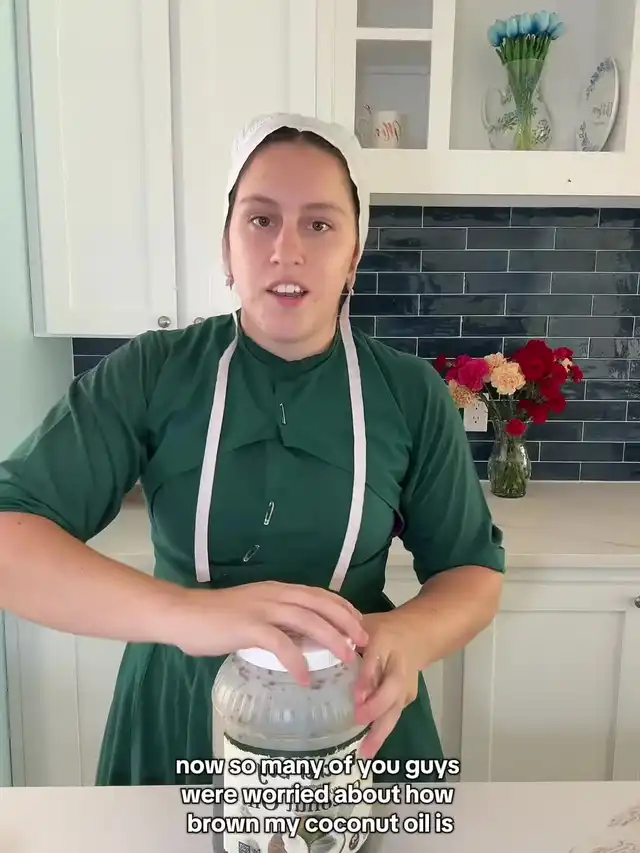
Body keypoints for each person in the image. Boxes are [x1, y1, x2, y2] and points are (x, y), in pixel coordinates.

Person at [0, 112, 505, 786]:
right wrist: (188, 613)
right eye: (261, 219)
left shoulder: (409, 392)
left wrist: (412, 636)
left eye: (320, 224)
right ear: (226, 247)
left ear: (354, 254)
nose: (286, 250)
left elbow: (471, 571)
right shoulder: (153, 371)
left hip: (354, 712)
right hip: (182, 712)